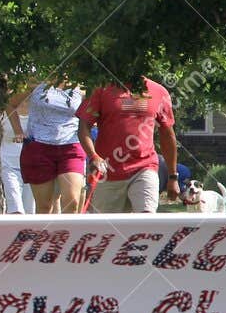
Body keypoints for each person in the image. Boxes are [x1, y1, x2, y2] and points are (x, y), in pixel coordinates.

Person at [77, 75, 177, 213]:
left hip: (144, 167)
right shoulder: (101, 89)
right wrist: (93, 156)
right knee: (108, 231)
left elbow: (167, 135)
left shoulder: (158, 91)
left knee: (145, 222)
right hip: (108, 172)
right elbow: (84, 127)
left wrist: (173, 176)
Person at [21, 80, 86, 213]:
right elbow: (11, 104)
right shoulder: (34, 84)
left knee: (72, 200)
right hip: (39, 146)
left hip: (71, 146)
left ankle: (69, 233)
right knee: (45, 206)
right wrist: (18, 131)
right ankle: (48, 234)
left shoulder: (83, 88)